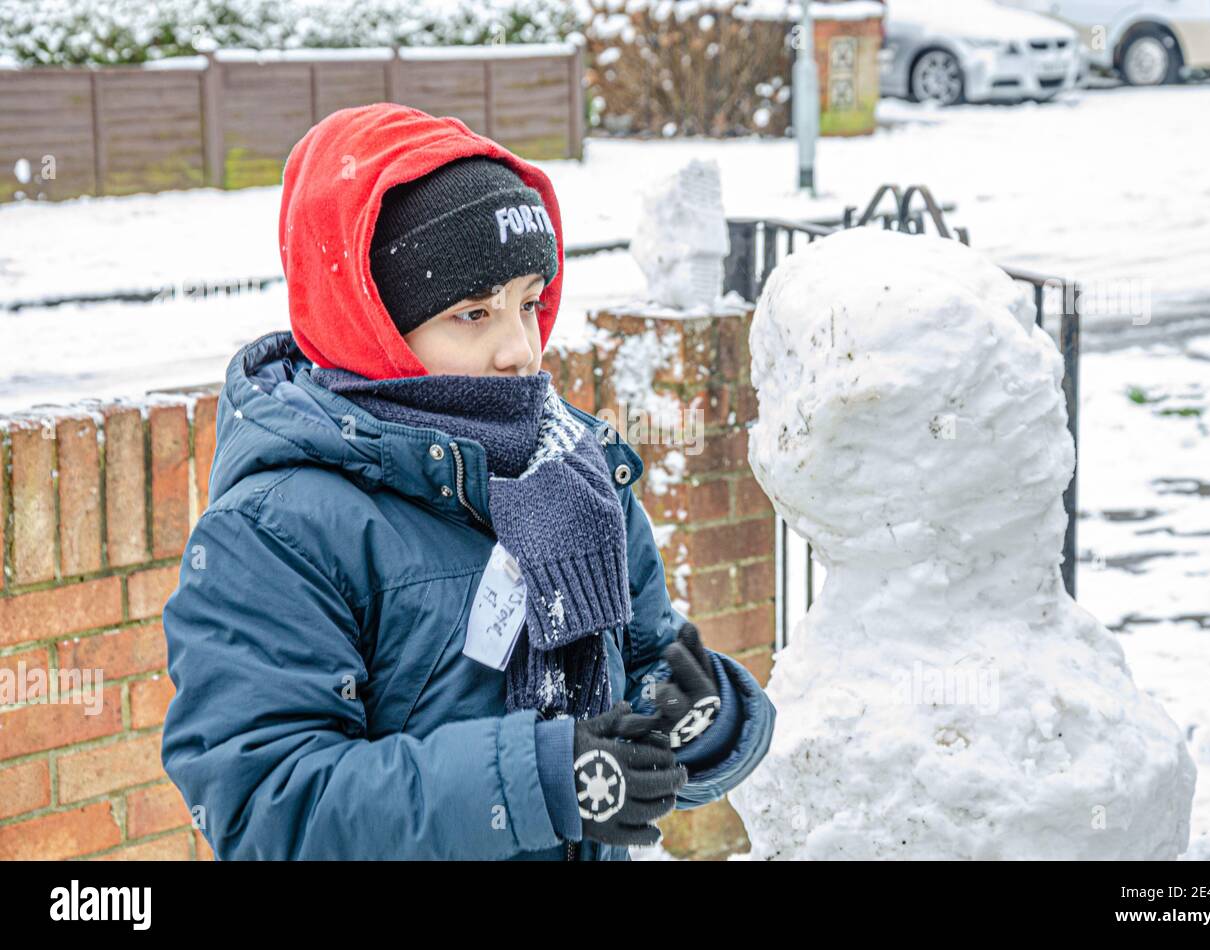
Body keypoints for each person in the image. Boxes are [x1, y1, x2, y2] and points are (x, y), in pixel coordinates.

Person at [160, 103, 776, 861]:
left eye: (527, 302)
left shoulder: (575, 469)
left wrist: (698, 720)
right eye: (472, 312)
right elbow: (268, 804)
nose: (518, 349)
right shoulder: (279, 529)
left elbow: (649, 657)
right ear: (371, 322)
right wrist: (540, 781)